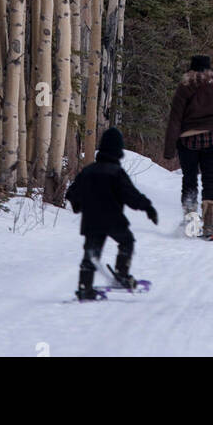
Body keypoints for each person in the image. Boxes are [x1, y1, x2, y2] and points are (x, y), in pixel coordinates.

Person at [65, 126, 158, 300]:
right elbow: (131, 195)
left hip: (91, 221)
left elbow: (72, 193)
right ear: (118, 150)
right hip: (113, 220)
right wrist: (148, 207)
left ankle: (85, 287)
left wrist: (78, 205)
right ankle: (122, 275)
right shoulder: (116, 172)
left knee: (91, 254)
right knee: (127, 242)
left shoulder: (88, 171)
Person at [163, 54, 213, 240]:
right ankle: (209, 224)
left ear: (191, 69)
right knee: (210, 180)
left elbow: (175, 119)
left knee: (189, 179)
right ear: (209, 69)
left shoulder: (184, 88)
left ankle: (191, 219)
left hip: (188, 142)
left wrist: (169, 148)